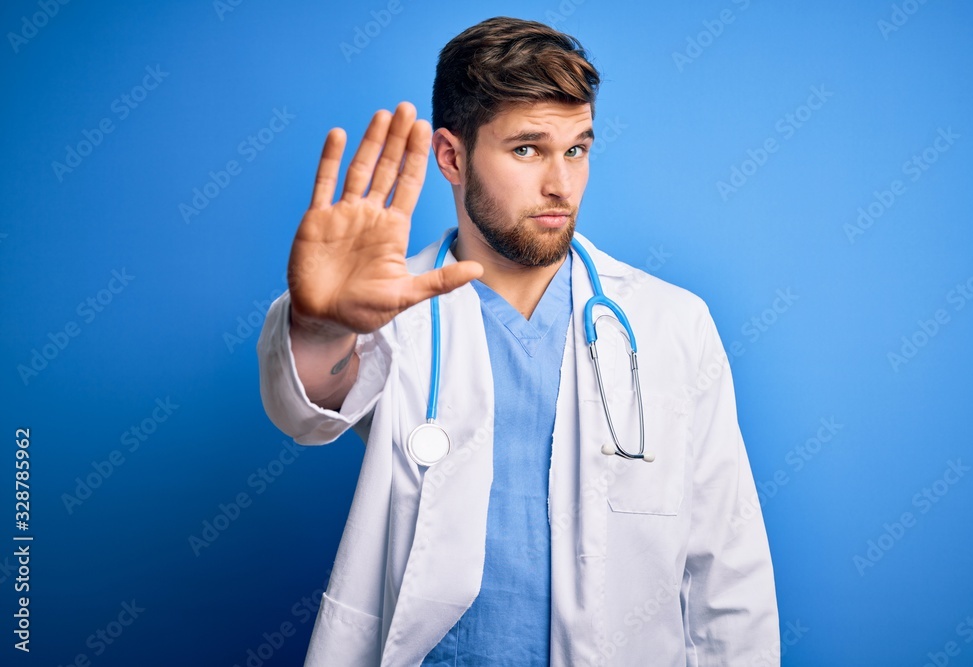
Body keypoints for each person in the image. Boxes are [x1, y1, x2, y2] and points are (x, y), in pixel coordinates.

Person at [257, 16, 778, 666]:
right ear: (452, 157)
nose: (561, 184)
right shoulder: (393, 306)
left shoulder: (671, 322)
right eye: (528, 149)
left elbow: (727, 565)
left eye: (577, 150)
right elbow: (305, 411)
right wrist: (323, 326)